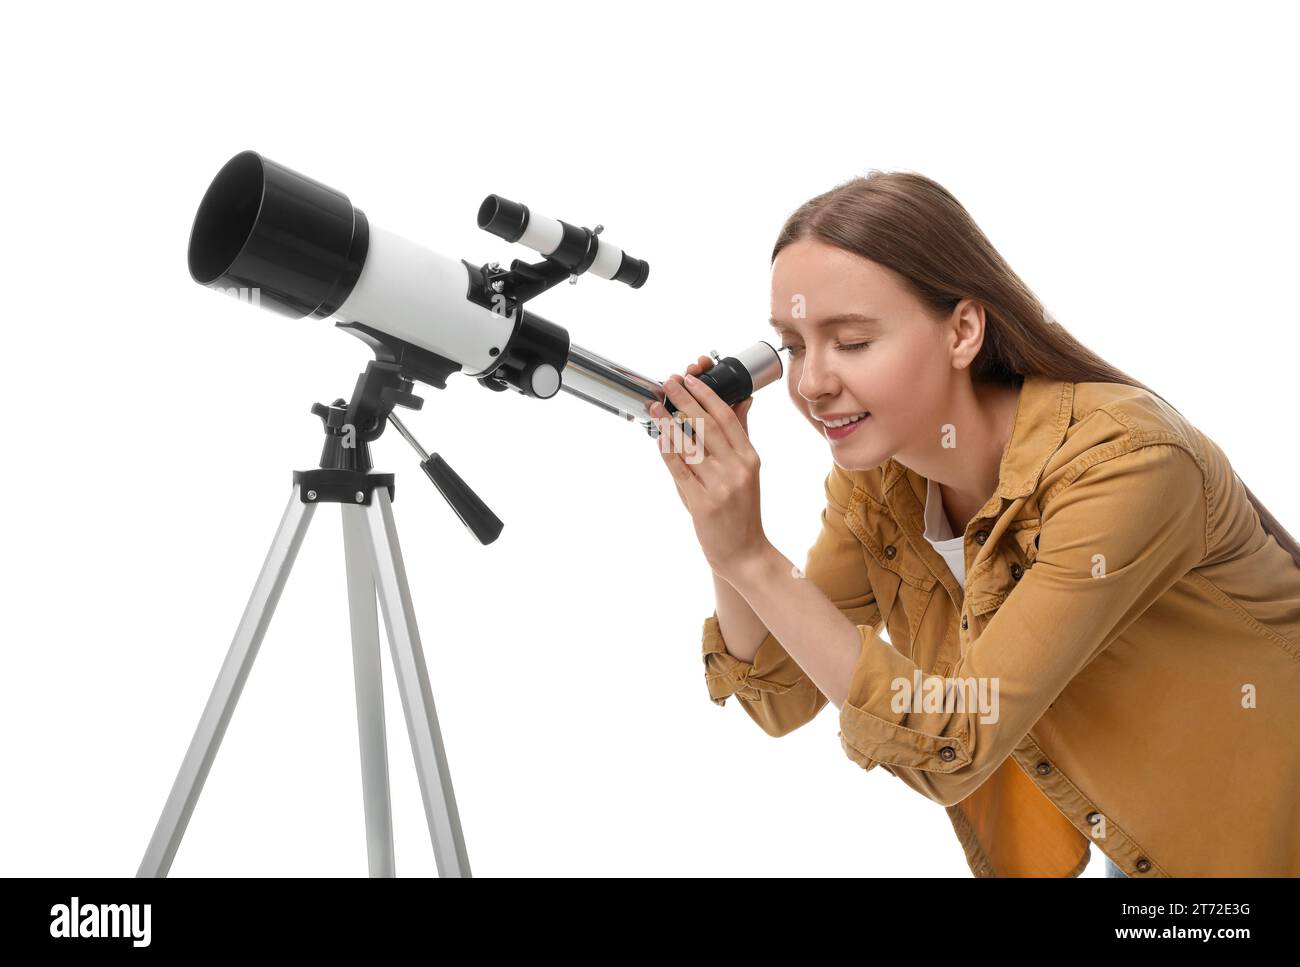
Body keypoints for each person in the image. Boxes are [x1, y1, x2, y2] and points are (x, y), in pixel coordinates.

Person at [645, 171, 1300, 878]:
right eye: (796, 345)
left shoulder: (1126, 465)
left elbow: (954, 735)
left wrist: (751, 558)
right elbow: (779, 692)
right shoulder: (879, 483)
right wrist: (723, 533)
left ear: (962, 330)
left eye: (853, 341)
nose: (811, 384)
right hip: (1151, 836)